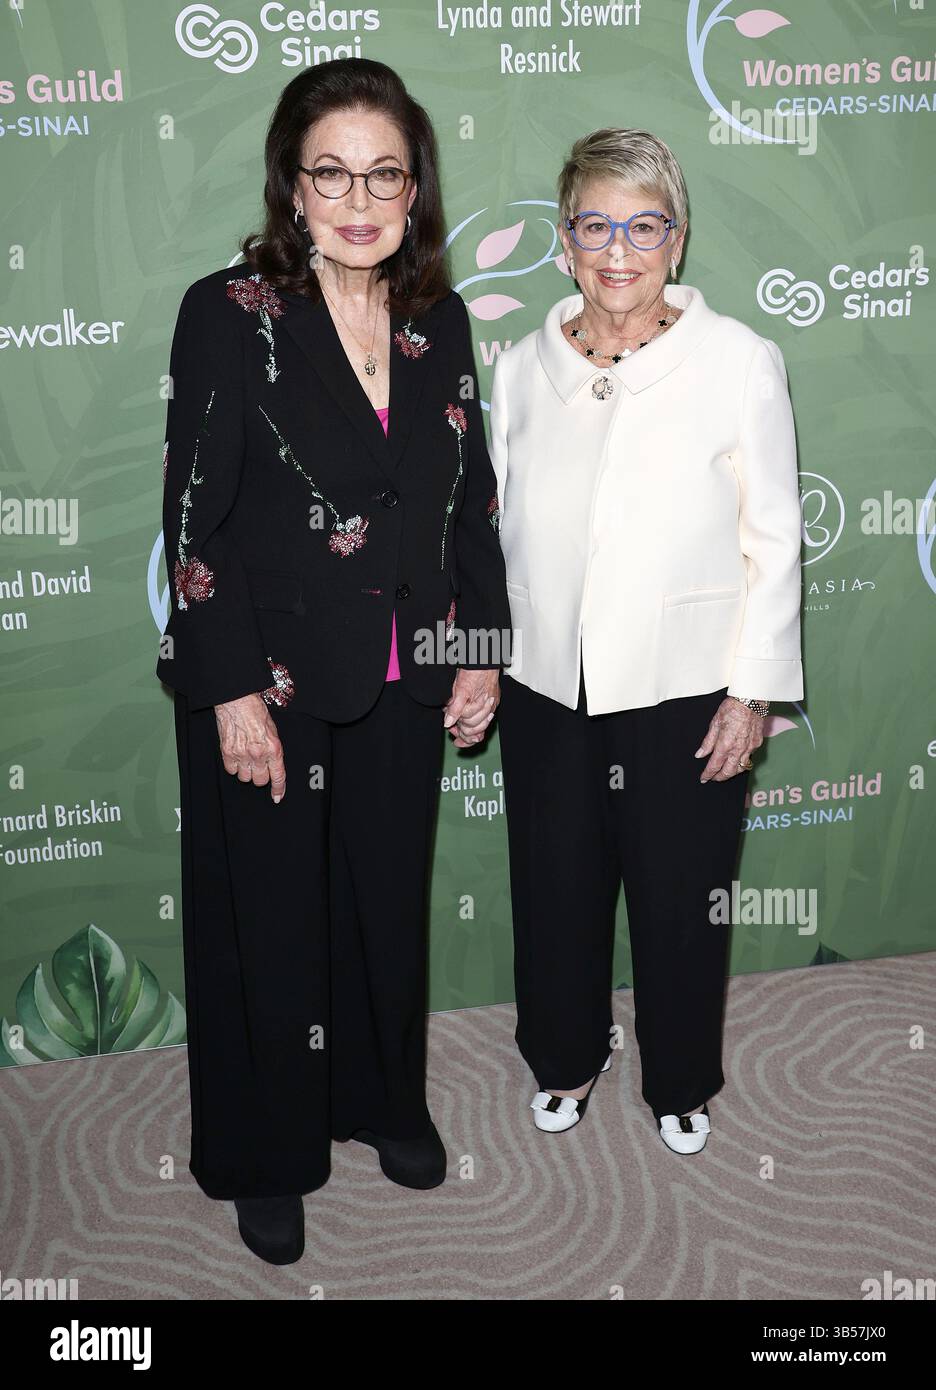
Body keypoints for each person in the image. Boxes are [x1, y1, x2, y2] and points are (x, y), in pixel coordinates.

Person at [156, 58, 509, 1263]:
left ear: (415, 189)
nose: (359, 198)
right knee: (268, 916)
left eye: (385, 174)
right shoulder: (229, 313)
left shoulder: (437, 319)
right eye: (332, 173)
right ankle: (266, 1149)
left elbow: (468, 503)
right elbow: (194, 522)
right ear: (292, 186)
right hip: (271, 678)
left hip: (406, 668)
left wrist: (476, 652)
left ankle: (379, 1099)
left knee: (381, 899)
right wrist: (227, 689)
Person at [488, 127, 803, 1154]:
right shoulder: (521, 364)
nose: (617, 250)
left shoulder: (741, 361)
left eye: (643, 225)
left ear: (677, 237)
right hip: (549, 683)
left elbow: (775, 538)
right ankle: (567, 1057)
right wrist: (485, 657)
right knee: (556, 886)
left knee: (680, 898)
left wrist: (752, 693)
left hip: (687, 688)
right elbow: (490, 528)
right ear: (565, 240)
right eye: (594, 225)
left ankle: (678, 1078)